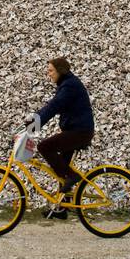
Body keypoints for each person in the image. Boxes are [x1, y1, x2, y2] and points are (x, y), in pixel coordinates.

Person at [24, 56, 94, 220]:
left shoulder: (69, 85)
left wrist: (34, 124)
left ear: (60, 71)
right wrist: (31, 122)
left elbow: (53, 107)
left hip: (80, 132)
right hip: (77, 130)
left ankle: (73, 178)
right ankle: (62, 208)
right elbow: (52, 106)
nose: (48, 74)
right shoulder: (67, 84)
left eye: (50, 71)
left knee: (45, 147)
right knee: (61, 169)